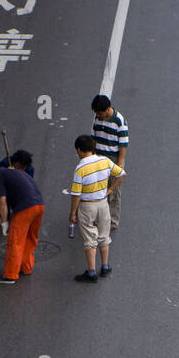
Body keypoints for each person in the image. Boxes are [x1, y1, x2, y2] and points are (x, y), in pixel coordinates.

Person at [0, 150, 45, 285]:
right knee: (29, 239)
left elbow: (2, 202)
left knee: (15, 241)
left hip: (25, 208)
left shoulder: (0, 177)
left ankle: (10, 275)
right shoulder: (18, 172)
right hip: (39, 205)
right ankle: (25, 267)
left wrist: (4, 222)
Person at [68, 135, 125, 283]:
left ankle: (91, 272)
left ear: (79, 150)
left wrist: (73, 212)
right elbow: (121, 174)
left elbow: (76, 194)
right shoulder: (105, 161)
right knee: (104, 236)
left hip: (87, 206)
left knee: (89, 239)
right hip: (103, 203)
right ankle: (105, 267)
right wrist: (110, 190)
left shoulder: (80, 168)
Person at [91, 94, 129, 232]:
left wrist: (119, 164)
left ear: (107, 109)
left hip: (113, 159)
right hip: (99, 157)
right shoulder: (98, 119)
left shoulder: (119, 121)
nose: (97, 115)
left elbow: (123, 145)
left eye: (99, 112)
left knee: (114, 191)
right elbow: (94, 137)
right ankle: (100, 217)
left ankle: (113, 219)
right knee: (99, 188)